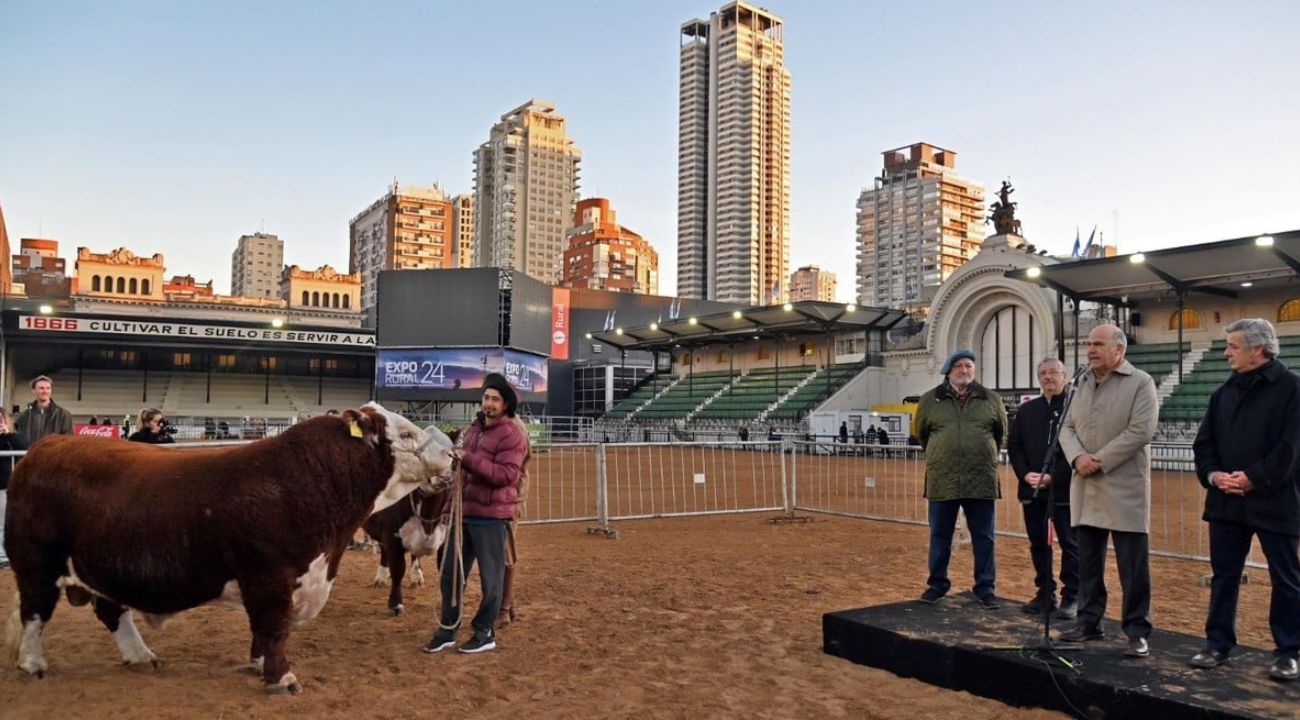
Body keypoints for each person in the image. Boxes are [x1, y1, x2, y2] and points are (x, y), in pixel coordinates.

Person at [1190, 318, 1300, 681]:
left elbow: (1291, 448)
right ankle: (1217, 644)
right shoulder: (1222, 393)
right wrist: (1214, 475)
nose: (1226, 353)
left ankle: (1288, 652)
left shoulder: (1293, 389)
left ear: (1259, 349)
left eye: (1233, 346)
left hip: (1276, 500)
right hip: (1226, 500)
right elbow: (1204, 444)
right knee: (1224, 575)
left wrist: (1253, 478)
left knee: (1286, 579)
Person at [1057, 324, 1158, 658]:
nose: (1091, 349)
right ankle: (1088, 622)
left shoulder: (1141, 382)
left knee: (1133, 567)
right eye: (1089, 343)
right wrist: (1077, 458)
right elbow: (1066, 427)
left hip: (1124, 487)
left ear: (1119, 349)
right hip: (1085, 484)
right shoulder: (1079, 383)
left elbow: (1141, 431)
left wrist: (1098, 460)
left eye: (1098, 344)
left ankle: (1137, 631)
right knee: (1088, 563)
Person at [425, 373, 526, 655]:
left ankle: (484, 631)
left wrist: (469, 459)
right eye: (486, 398)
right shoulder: (473, 429)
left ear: (505, 405)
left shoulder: (512, 435)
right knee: (450, 574)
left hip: (491, 517)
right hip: (463, 514)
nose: (489, 403)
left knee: (491, 580)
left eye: (495, 399)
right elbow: (460, 474)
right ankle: (448, 627)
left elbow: (506, 475)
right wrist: (448, 507)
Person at [915, 349, 1008, 609]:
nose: (964, 370)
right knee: (940, 535)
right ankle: (937, 585)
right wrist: (941, 454)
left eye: (968, 366)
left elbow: (1000, 433)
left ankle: (985, 588)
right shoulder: (930, 400)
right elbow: (922, 434)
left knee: (984, 538)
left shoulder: (991, 399)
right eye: (959, 366)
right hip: (942, 478)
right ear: (948, 371)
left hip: (981, 478)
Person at [1007, 358, 1080, 619]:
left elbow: (1078, 449)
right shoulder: (1028, 410)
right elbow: (1014, 445)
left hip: (1063, 492)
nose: (1048, 377)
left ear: (1064, 376)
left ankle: (1072, 596)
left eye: (1054, 372)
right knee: (1038, 543)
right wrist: (1025, 474)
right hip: (1032, 490)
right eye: (1043, 373)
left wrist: (1053, 477)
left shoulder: (1074, 408)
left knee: (1070, 544)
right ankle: (1045, 592)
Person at [0, 408, 31, 569]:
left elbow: (24, 445)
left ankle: (3, 556)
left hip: (5, 486)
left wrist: (7, 434)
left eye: (1, 420)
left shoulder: (13, 438)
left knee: (4, 522)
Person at [12, 375, 73, 443]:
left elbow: (69, 441)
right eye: (41, 388)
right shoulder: (23, 417)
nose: (45, 391)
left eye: (48, 388)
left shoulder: (64, 415)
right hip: (31, 450)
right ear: (34, 391)